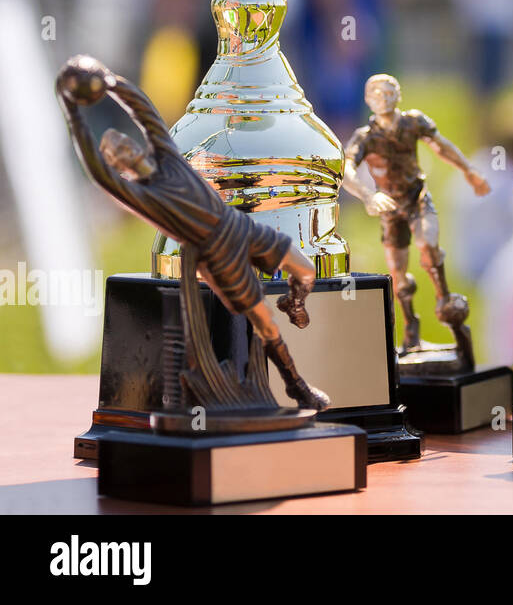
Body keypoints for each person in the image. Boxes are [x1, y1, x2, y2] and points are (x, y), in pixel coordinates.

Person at [56, 56, 327, 410]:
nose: (126, 148)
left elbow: (146, 114)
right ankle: (296, 384)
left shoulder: (169, 157)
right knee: (263, 319)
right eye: (117, 153)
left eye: (125, 142)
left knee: (305, 270)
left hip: (239, 226)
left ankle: (294, 300)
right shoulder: (142, 197)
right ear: (118, 167)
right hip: (216, 254)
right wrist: (72, 112)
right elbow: (96, 171)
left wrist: (110, 82)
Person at [341, 75, 490, 357]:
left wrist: (469, 170)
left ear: (397, 95)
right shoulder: (366, 137)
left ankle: (444, 299)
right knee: (397, 271)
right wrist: (367, 195)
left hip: (416, 197)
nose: (382, 99)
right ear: (368, 100)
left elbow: (441, 146)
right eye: (376, 94)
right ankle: (411, 328)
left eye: (387, 93)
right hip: (390, 206)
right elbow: (347, 169)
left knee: (427, 243)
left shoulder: (413, 122)